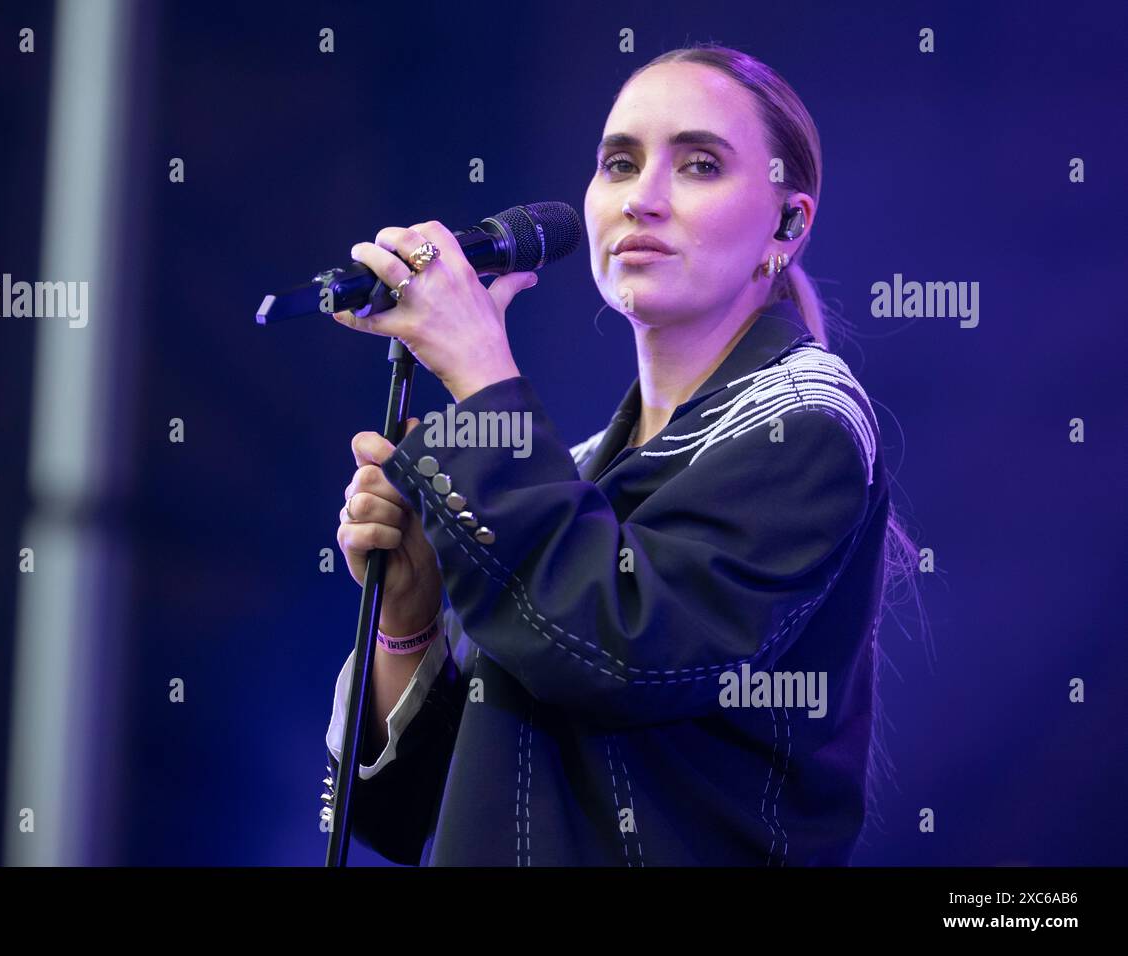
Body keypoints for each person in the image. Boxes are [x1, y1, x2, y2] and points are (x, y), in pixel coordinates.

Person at [322, 43, 915, 866]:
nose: (645, 199)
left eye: (700, 165)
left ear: (788, 223)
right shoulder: (573, 467)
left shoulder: (808, 420)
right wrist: (407, 622)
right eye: (619, 165)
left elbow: (620, 655)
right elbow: (401, 816)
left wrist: (480, 368)